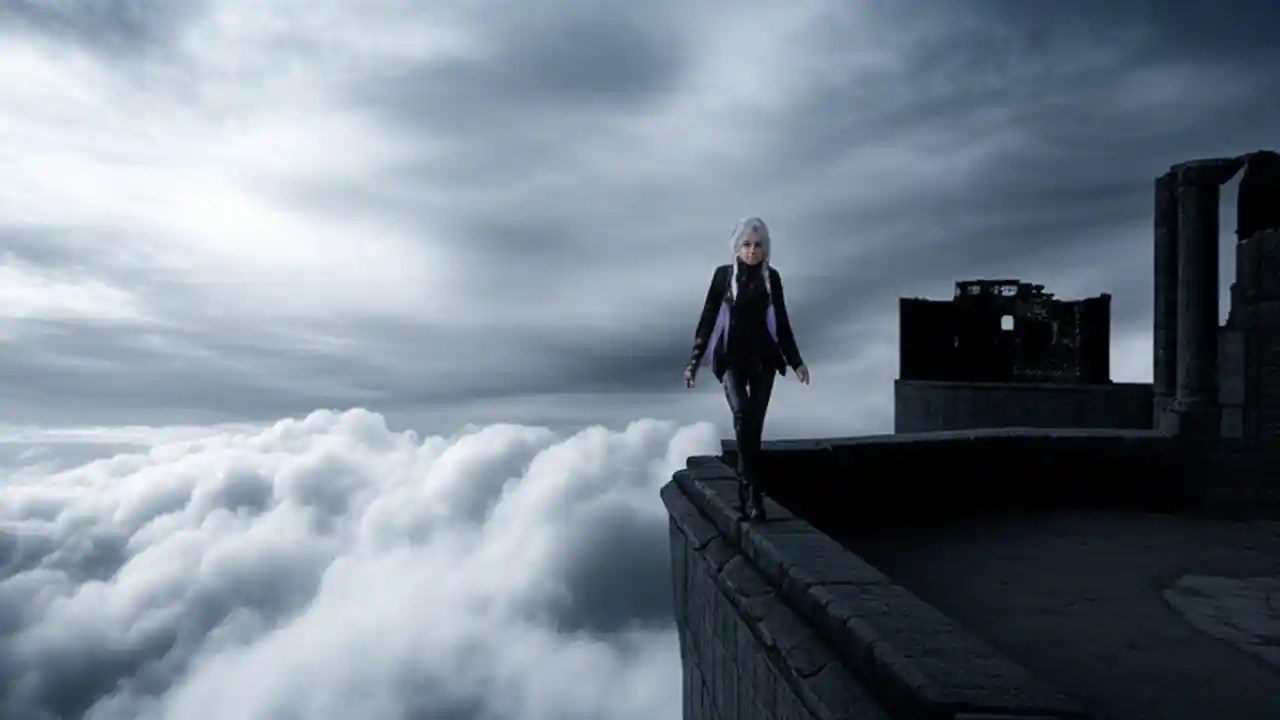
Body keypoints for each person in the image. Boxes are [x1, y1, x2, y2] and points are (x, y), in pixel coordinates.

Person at [683, 217, 810, 522]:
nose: (752, 251)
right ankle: (751, 494)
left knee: (753, 428)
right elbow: (708, 318)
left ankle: (751, 494)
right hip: (731, 360)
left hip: (764, 361)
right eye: (747, 245)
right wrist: (694, 362)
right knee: (742, 415)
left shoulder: (771, 278)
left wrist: (796, 362)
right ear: (736, 247)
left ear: (765, 249)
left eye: (758, 246)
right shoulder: (723, 277)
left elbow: (781, 324)